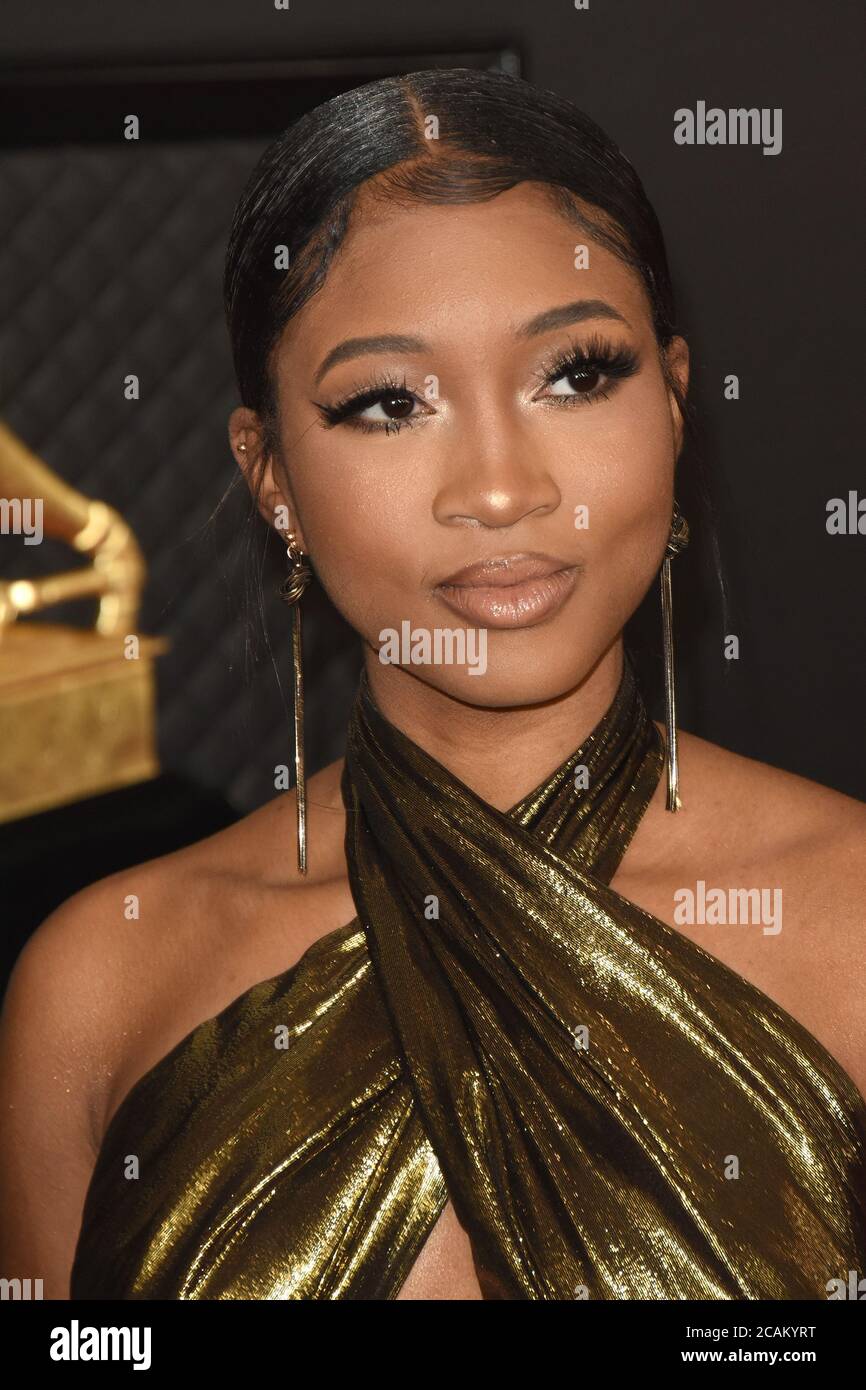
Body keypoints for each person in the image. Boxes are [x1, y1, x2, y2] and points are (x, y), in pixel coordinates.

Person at [1, 68, 864, 1301]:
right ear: (272, 479)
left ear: (674, 400)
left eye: (574, 373)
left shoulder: (852, 924)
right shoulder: (96, 986)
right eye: (387, 402)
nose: (500, 488)